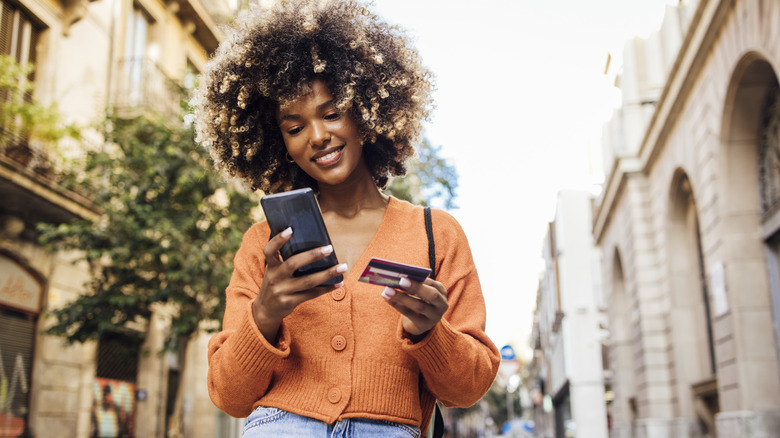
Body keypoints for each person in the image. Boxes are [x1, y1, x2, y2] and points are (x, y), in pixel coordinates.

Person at [192, 0, 500, 436]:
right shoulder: (265, 242)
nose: (318, 136)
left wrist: (432, 332)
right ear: (278, 140)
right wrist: (264, 312)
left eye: (331, 113)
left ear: (366, 111)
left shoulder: (436, 234)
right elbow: (230, 395)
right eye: (294, 127)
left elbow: (467, 389)